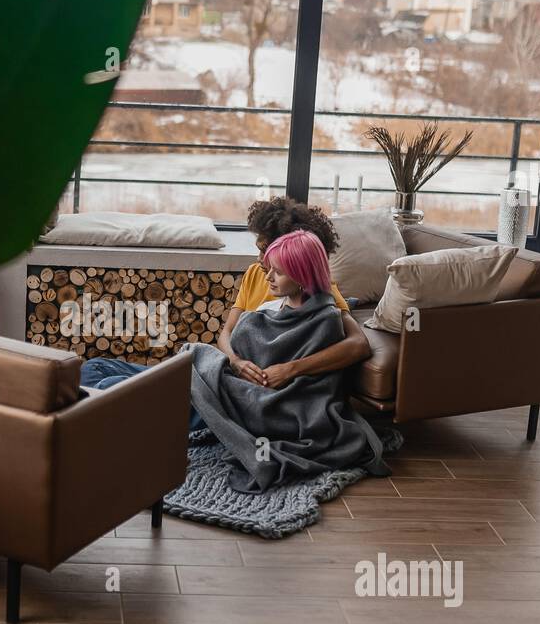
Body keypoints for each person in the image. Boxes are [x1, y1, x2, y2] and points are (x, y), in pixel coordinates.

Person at [79, 196, 371, 390]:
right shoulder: (256, 275)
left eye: (266, 253)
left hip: (236, 391)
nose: (260, 261)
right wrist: (234, 360)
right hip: (223, 371)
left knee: (110, 388)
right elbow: (225, 334)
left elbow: (357, 344)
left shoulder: (321, 295)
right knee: (94, 368)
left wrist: (290, 369)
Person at [186, 228, 390, 492]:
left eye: (278, 272)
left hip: (269, 409)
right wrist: (237, 362)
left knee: (170, 376)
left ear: (303, 277)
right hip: (240, 390)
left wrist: (280, 372)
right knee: (166, 372)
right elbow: (239, 338)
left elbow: (311, 391)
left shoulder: (326, 319)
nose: (268, 277)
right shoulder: (277, 307)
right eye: (270, 268)